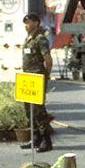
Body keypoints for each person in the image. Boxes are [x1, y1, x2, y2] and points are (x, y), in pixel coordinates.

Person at [19, 13, 54, 153]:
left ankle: (46, 140)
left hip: (37, 78)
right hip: (27, 79)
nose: (26, 25)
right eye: (25, 23)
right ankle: (35, 138)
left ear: (36, 23)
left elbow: (48, 60)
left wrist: (46, 75)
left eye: (29, 22)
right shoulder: (28, 39)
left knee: (39, 110)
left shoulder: (40, 39)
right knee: (29, 109)